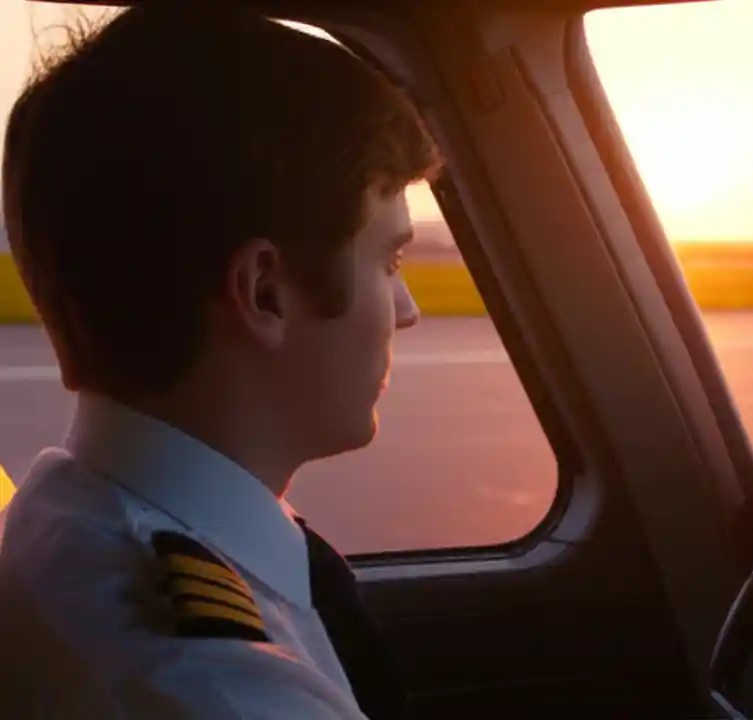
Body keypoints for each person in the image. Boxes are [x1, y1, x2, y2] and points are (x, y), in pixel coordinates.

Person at [0, 3, 439, 718]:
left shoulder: (60, 518)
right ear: (264, 291)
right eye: (388, 260)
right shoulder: (220, 688)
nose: (408, 307)